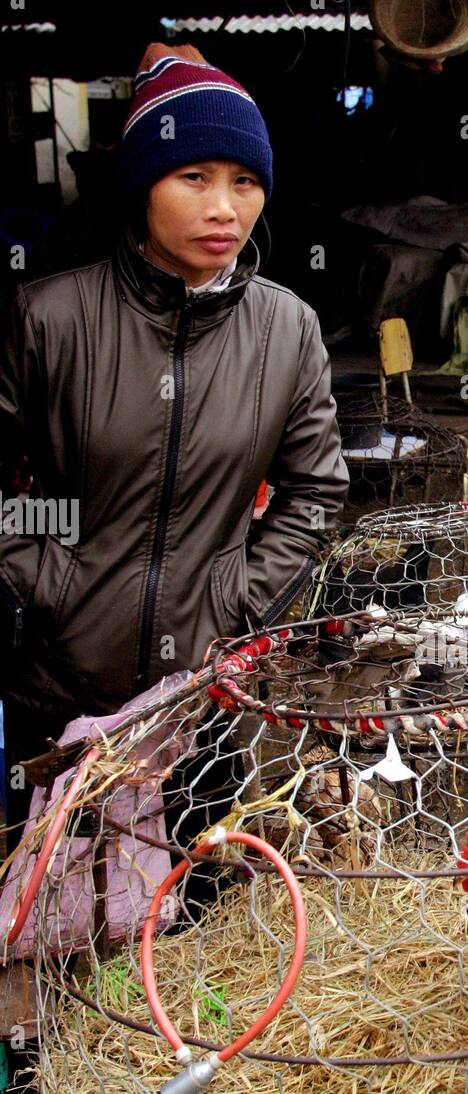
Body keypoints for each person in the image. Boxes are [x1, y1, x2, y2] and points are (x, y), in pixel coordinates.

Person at [0, 44, 349, 837]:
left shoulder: (286, 329)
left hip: (205, 693)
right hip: (59, 685)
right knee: (52, 922)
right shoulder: (49, 318)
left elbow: (316, 491)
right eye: (194, 177)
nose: (223, 207)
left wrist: (241, 596)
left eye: (245, 181)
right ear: (142, 185)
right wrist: (52, 565)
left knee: (184, 916)